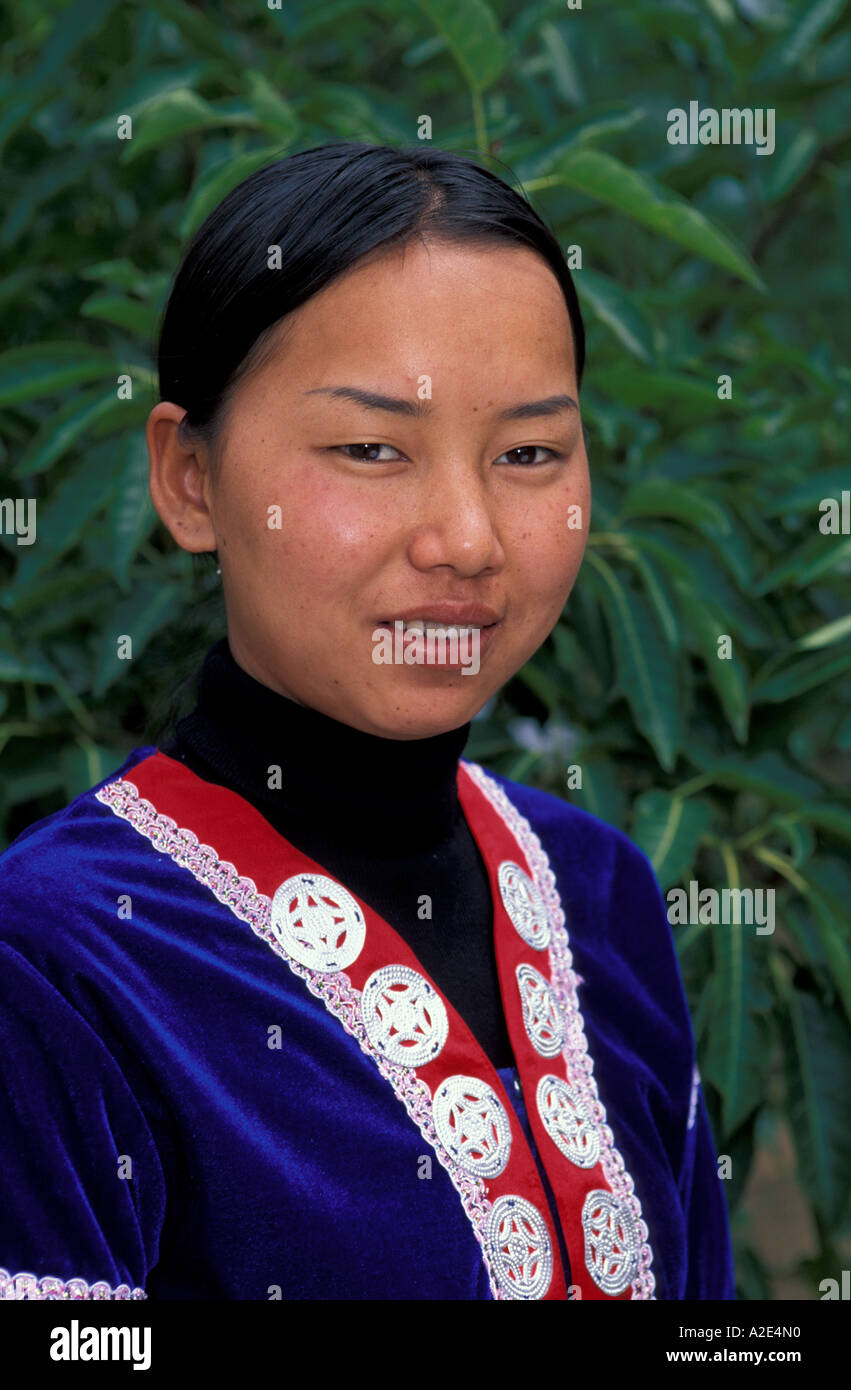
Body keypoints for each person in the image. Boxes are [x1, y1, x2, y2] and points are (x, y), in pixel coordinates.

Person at [0, 142, 734, 1301]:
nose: (468, 537)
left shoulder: (602, 895)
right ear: (190, 480)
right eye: (371, 449)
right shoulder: (54, 958)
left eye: (529, 452)